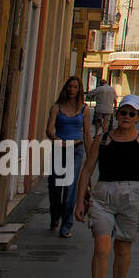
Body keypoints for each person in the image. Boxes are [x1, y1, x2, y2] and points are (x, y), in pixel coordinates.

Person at [74, 94, 139, 278]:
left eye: (132, 113)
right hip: (103, 196)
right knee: (102, 246)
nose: (126, 117)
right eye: (123, 112)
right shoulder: (102, 139)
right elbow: (87, 170)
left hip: (132, 196)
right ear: (117, 113)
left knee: (122, 248)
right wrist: (79, 200)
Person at [46, 76, 91, 238]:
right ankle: (55, 216)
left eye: (75, 87)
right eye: (70, 87)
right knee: (55, 188)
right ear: (65, 89)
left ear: (79, 90)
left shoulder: (84, 109)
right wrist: (55, 138)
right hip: (59, 149)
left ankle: (66, 226)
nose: (72, 90)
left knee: (71, 188)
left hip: (77, 150)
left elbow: (87, 132)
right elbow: (50, 129)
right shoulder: (56, 108)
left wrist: (90, 156)